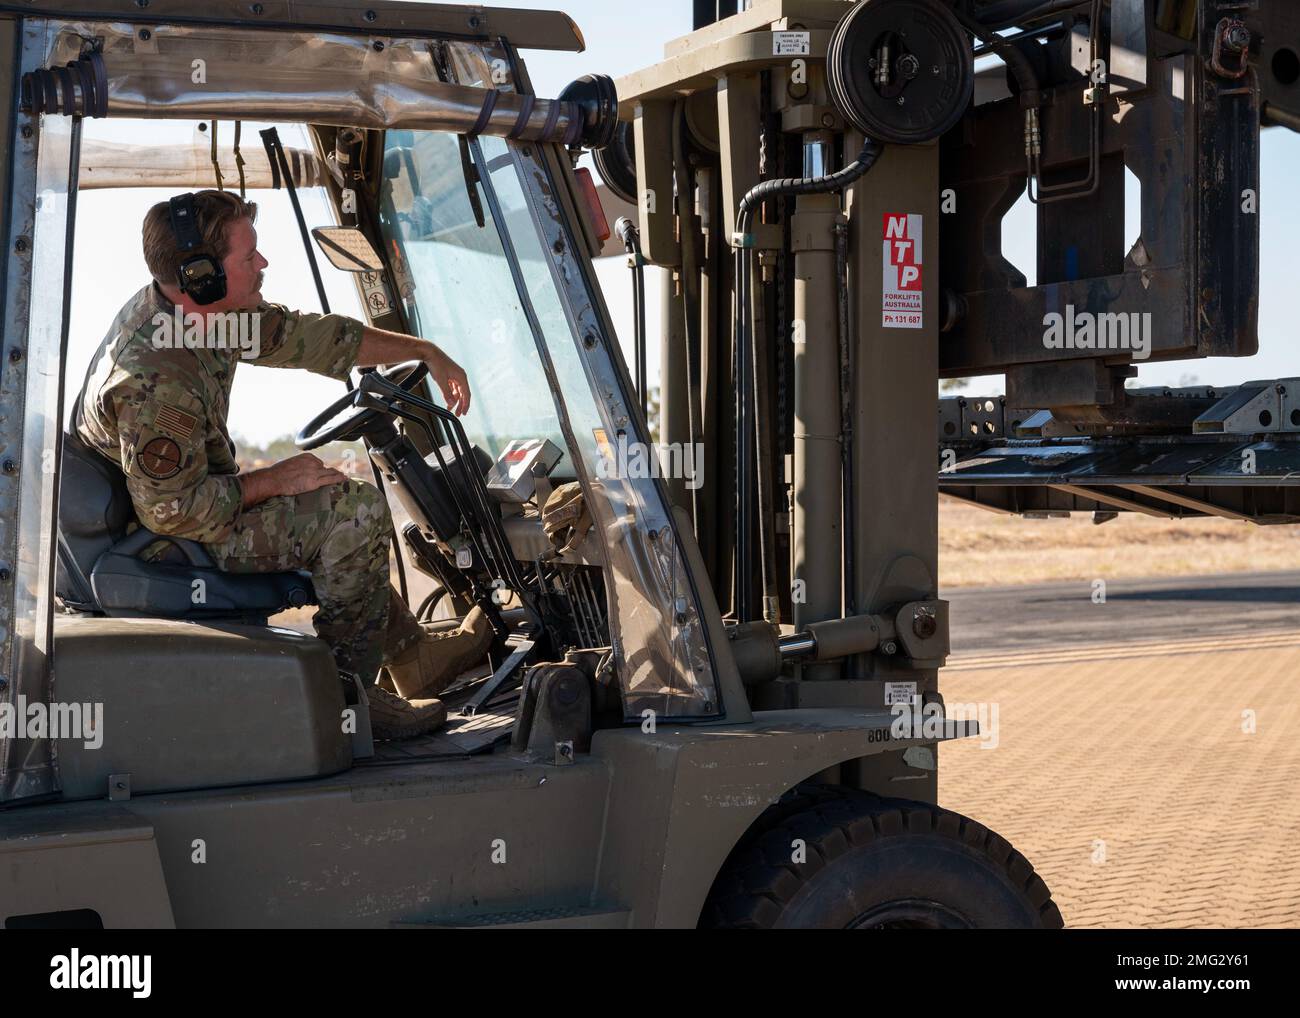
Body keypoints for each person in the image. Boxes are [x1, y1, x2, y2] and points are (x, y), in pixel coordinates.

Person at [76, 189, 491, 739]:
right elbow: (174, 511)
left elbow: (314, 340)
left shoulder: (202, 313)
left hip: (185, 500)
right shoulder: (157, 375)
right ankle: (347, 704)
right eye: (249, 257)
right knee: (353, 511)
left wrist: (425, 350)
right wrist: (274, 479)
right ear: (201, 276)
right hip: (159, 535)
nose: (264, 264)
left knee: (323, 490)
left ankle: (412, 657)